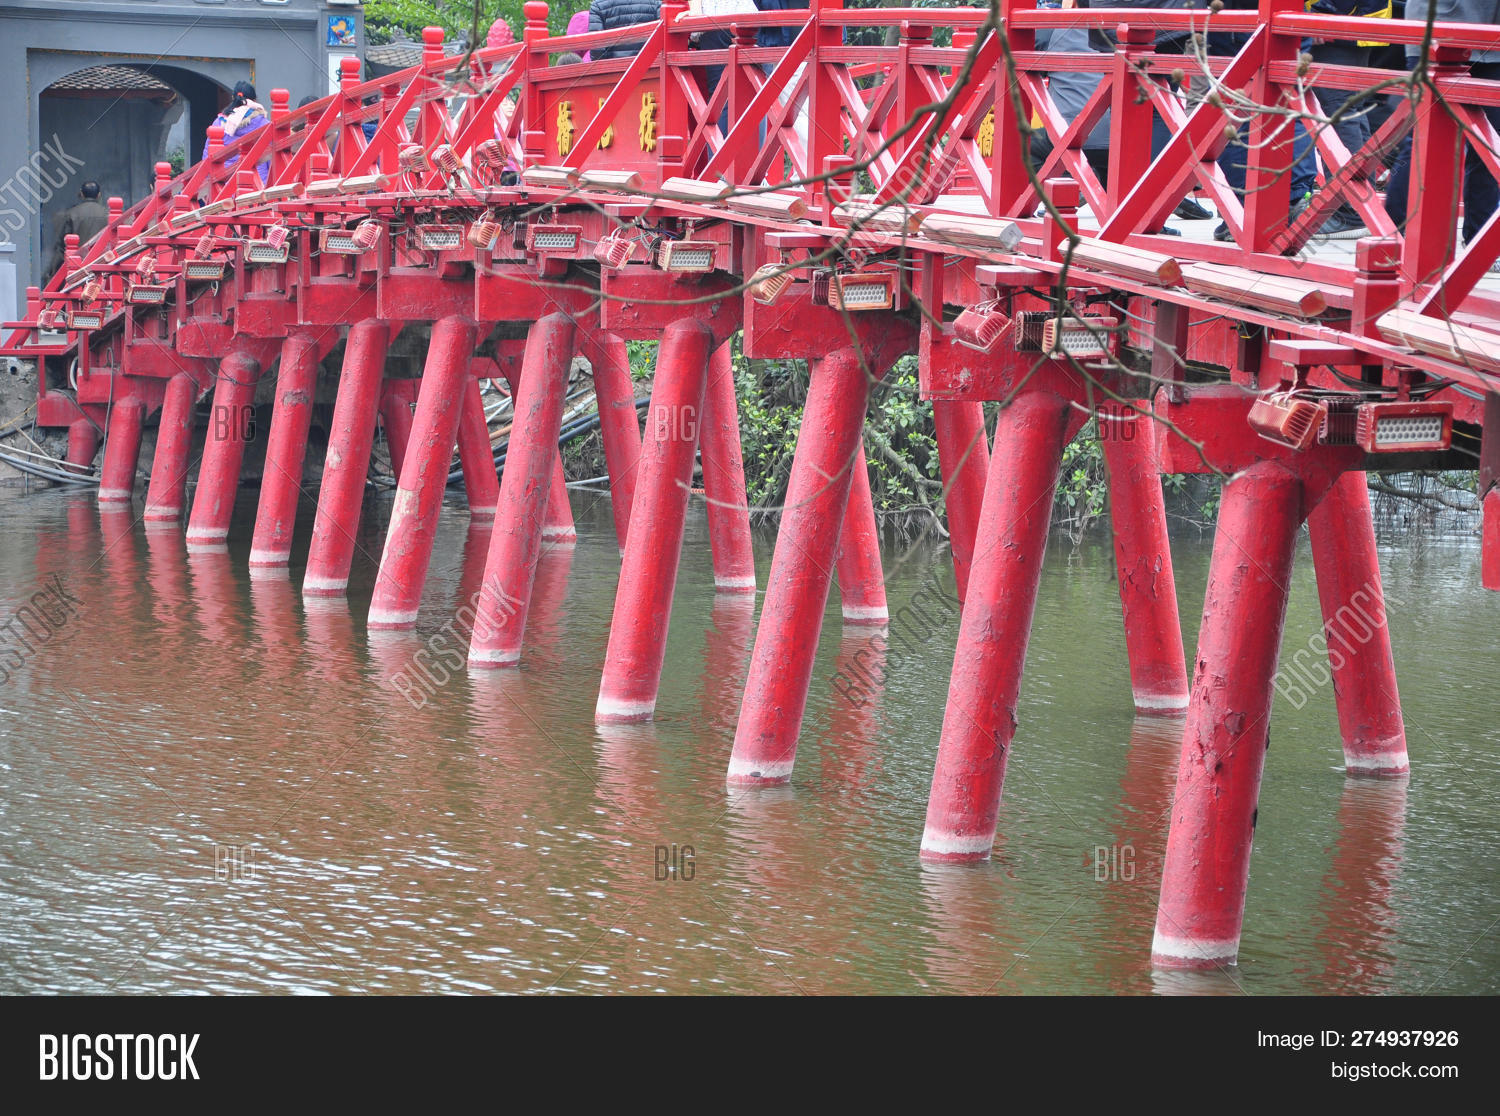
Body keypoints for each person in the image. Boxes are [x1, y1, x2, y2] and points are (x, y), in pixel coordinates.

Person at [1384, 0, 1500, 251]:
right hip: (1440, 29)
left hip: (1490, 36)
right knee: (1423, 140)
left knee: (1490, 143)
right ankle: (1393, 234)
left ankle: (1480, 243)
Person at [204, 81, 270, 183]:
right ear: (254, 100)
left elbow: (207, 157)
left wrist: (206, 182)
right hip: (257, 183)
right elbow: (271, 156)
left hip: (224, 185)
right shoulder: (264, 124)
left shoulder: (219, 123)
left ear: (233, 98)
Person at [44, 181, 108, 282]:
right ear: (99, 195)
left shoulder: (71, 214)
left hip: (77, 268)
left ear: (81, 194)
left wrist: (52, 272)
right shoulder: (108, 214)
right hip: (104, 266)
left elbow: (61, 247)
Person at [588, 0, 661, 60]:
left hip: (614, 72)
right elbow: (661, 40)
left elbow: (597, 48)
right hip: (650, 70)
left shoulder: (598, 5)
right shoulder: (656, 3)